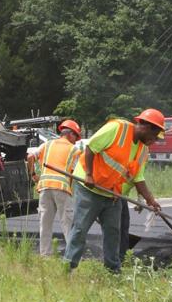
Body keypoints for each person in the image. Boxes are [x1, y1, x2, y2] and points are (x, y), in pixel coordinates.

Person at [64, 109, 165, 273]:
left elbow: (138, 178)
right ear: (146, 127)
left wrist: (150, 200)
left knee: (113, 233)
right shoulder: (117, 128)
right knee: (80, 228)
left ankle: (112, 270)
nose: (153, 141)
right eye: (154, 136)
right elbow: (91, 147)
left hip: (112, 194)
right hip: (89, 188)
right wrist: (89, 174)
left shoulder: (143, 150)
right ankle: (68, 267)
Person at [27, 120, 82, 256]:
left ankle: (45, 255)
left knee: (45, 224)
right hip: (62, 189)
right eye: (76, 137)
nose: (76, 141)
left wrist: (33, 174)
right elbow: (76, 173)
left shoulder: (47, 144)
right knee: (67, 224)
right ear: (70, 134)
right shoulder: (74, 150)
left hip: (45, 188)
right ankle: (71, 256)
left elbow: (30, 157)